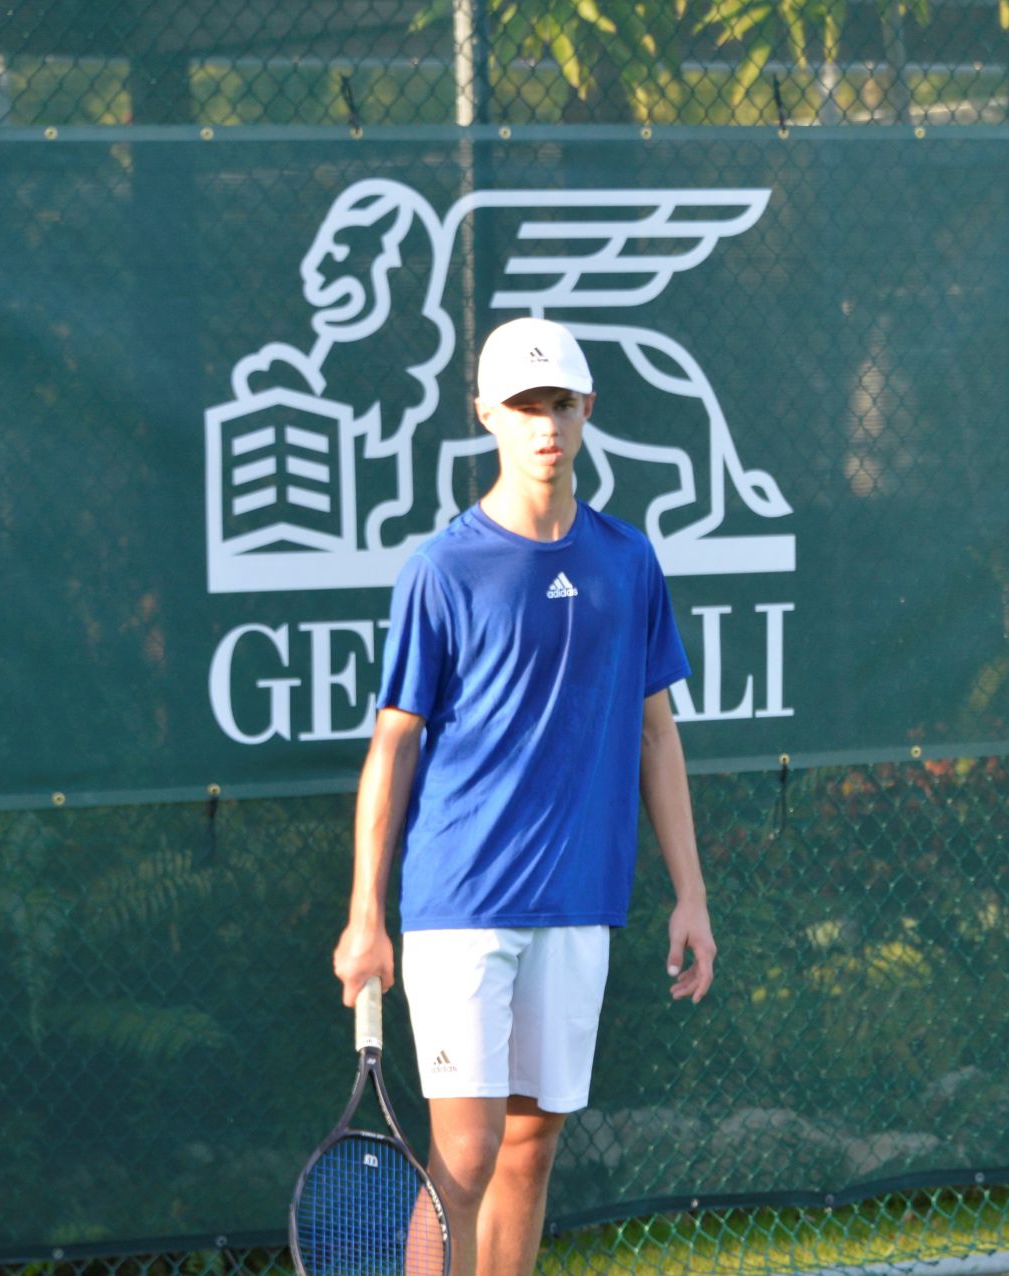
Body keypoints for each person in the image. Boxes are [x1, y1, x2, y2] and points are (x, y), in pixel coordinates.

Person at [332, 316, 718, 1276]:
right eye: (522, 405)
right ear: (487, 418)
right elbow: (393, 748)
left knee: (531, 1146)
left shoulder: (628, 563)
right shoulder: (442, 569)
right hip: (460, 904)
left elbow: (655, 732)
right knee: (461, 1155)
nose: (544, 424)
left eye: (559, 402)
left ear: (588, 410)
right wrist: (364, 917)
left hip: (579, 902)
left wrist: (692, 894)